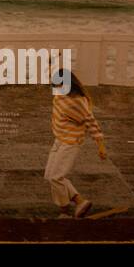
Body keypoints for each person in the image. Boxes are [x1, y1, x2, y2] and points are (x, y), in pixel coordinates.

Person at [45, 72, 107, 217]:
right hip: (59, 140)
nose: (56, 89)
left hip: (70, 143)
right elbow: (51, 75)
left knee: (56, 177)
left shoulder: (77, 102)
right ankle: (80, 201)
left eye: (59, 85)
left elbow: (91, 123)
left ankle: (64, 211)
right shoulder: (61, 94)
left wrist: (101, 146)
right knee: (50, 175)